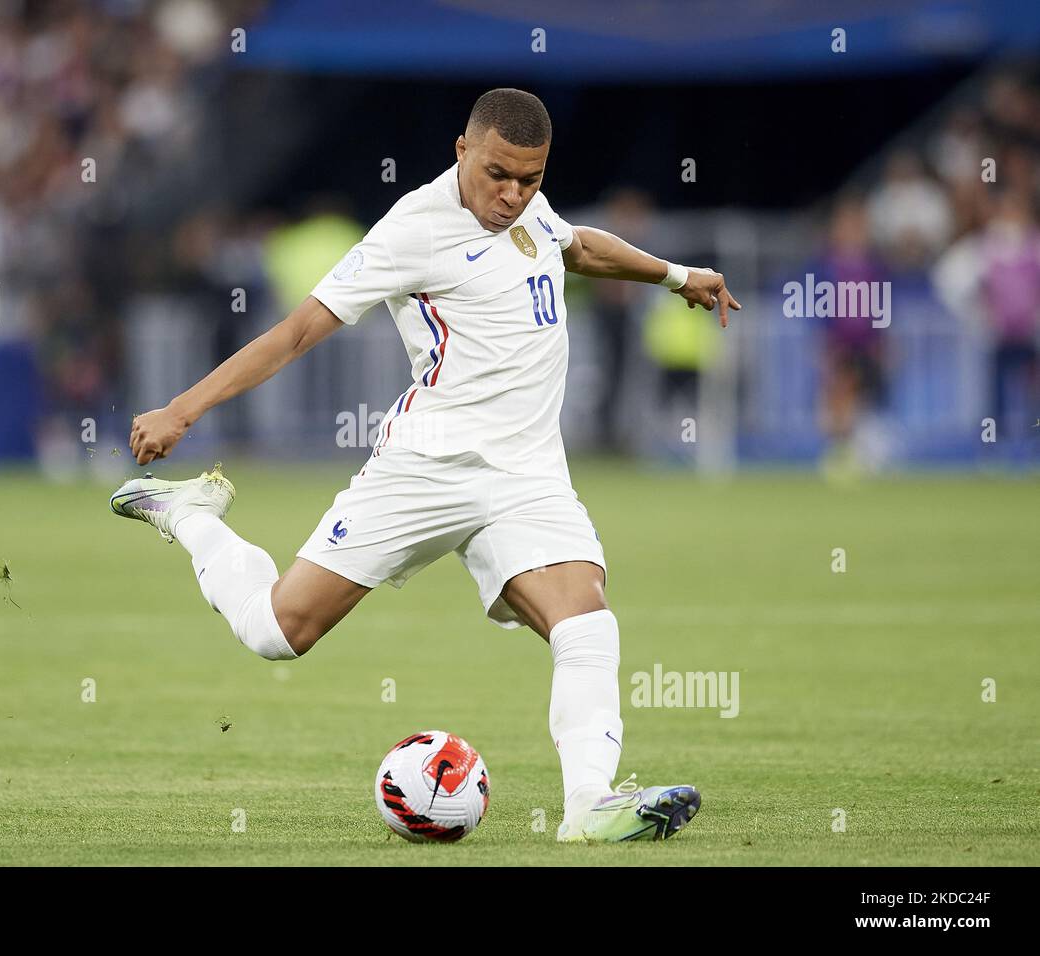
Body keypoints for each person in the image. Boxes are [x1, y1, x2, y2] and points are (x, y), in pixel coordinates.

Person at [114, 89, 740, 843]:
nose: (512, 195)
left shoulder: (528, 212)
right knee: (279, 631)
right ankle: (190, 516)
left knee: (587, 622)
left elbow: (576, 246)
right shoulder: (413, 228)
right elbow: (297, 331)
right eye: (499, 174)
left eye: (531, 179)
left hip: (528, 477)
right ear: (461, 152)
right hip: (427, 468)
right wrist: (184, 409)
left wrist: (675, 275)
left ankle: (588, 809)